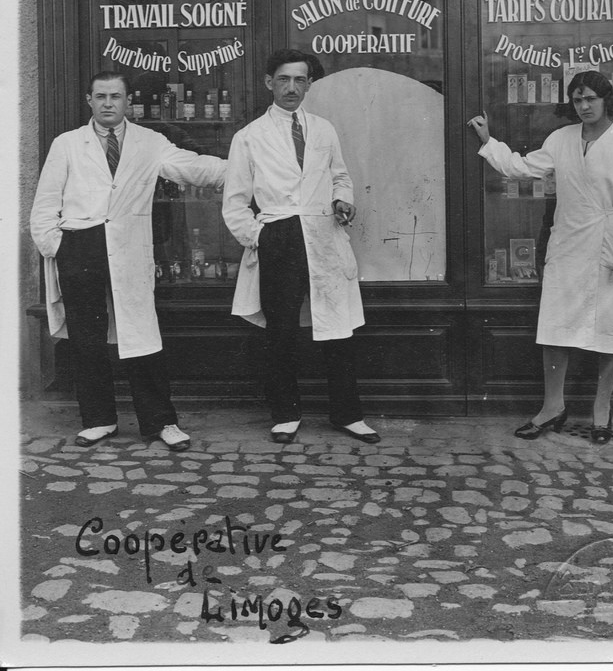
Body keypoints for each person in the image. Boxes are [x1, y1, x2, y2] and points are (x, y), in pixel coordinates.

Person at [30, 71, 226, 450]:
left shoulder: (148, 141)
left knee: (141, 334)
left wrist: (244, 168)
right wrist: (60, 248)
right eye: (100, 96)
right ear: (89, 100)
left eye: (115, 96)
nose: (108, 103)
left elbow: (191, 166)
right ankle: (99, 420)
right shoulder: (67, 144)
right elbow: (44, 207)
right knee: (87, 338)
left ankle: (160, 423)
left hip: (127, 247)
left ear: (125, 101)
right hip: (80, 246)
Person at [468, 70, 613, 444]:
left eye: (591, 99)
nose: (584, 106)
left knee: (611, 328)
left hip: (610, 243)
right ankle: (553, 407)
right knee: (556, 325)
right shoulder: (560, 139)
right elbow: (522, 167)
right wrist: (488, 141)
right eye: (578, 99)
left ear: (606, 101)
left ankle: (602, 409)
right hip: (568, 240)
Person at [222, 48, 379, 444]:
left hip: (323, 233)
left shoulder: (324, 130)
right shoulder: (249, 137)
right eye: (283, 79)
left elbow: (340, 177)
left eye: (300, 80)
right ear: (268, 83)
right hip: (279, 236)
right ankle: (285, 413)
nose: (292, 88)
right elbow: (235, 202)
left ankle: (347, 414)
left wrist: (344, 200)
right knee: (282, 331)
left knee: (337, 327)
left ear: (309, 84)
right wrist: (260, 237)